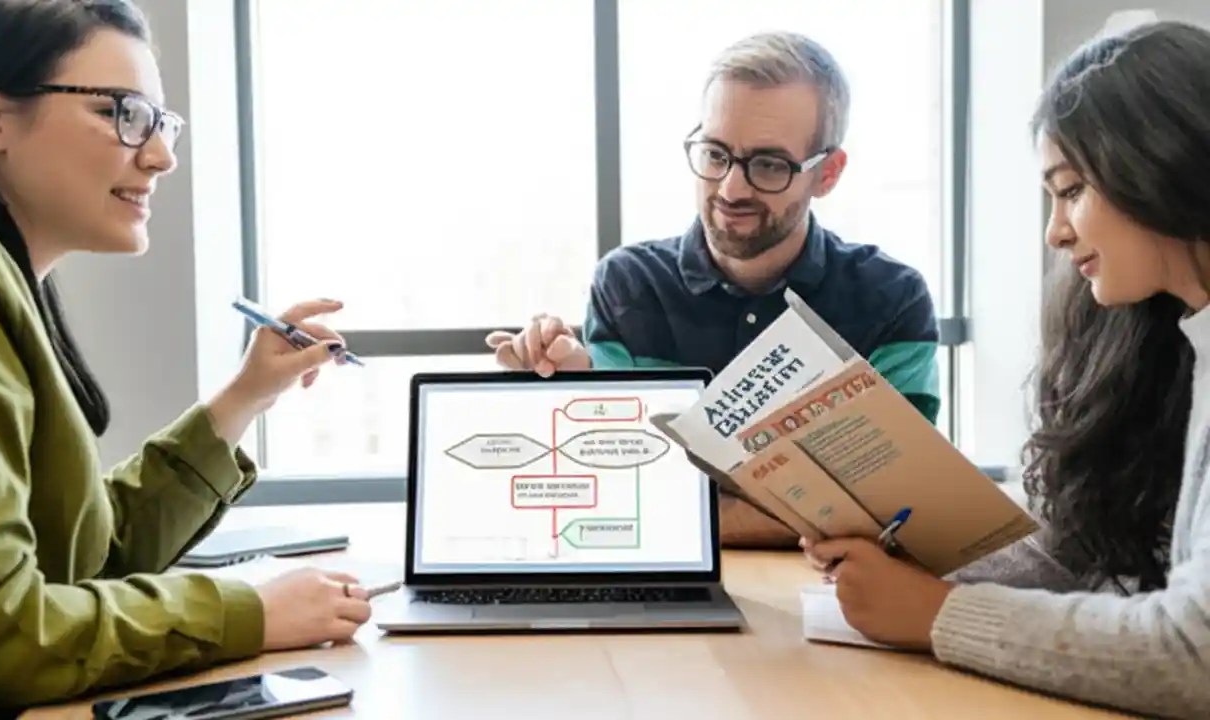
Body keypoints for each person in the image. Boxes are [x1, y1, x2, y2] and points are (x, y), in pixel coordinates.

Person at [0, 0, 372, 712]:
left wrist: (246, 396)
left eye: (160, 123)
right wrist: (247, 614)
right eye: (120, 113)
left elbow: (85, 559)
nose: (161, 155)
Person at [804, 20, 1210, 719]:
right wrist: (918, 560)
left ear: (1160, 164)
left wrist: (941, 614)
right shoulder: (1174, 341)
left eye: (1072, 189)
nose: (1055, 231)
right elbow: (1088, 554)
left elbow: (1192, 656)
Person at [486, 31, 941, 548]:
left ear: (828, 173)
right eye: (715, 154)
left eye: (769, 165)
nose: (731, 188)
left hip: (830, 597)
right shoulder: (628, 286)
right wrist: (564, 388)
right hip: (665, 589)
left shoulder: (892, 299)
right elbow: (620, 494)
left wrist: (688, 514)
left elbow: (896, 508)